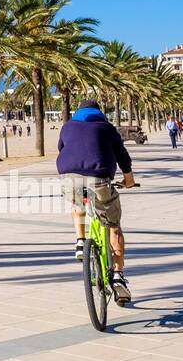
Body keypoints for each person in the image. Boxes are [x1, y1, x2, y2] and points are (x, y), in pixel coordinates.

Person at [56, 98, 138, 305]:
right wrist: (129, 180)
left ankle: (80, 241)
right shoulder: (106, 128)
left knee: (77, 206)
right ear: (98, 112)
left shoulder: (67, 127)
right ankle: (118, 276)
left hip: (69, 178)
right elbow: (122, 156)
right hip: (99, 179)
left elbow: (62, 148)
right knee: (114, 226)